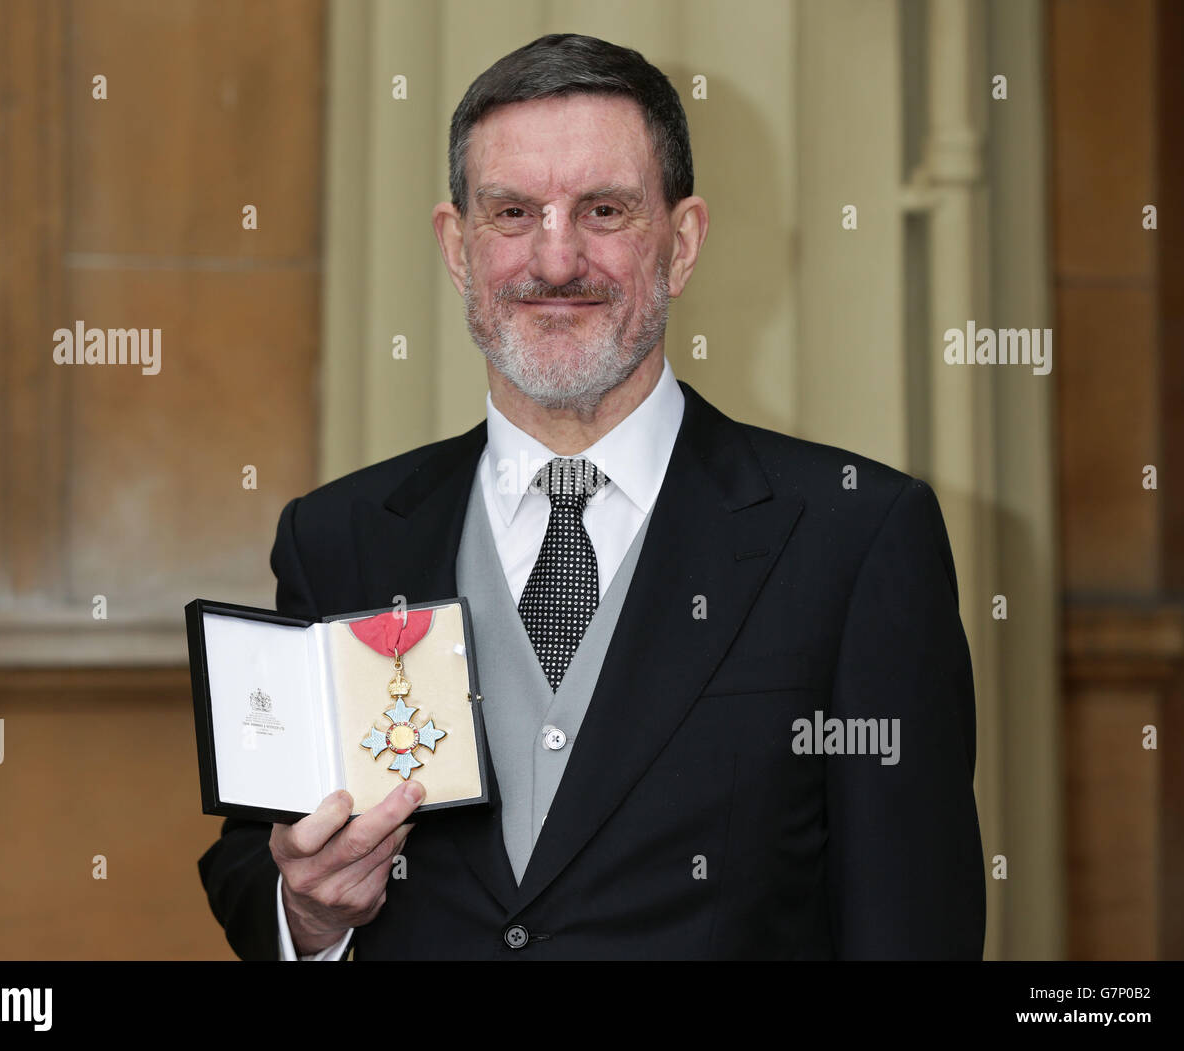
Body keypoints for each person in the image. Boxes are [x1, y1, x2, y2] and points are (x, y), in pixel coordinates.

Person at [198, 32, 986, 960]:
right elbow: (254, 863)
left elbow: (910, 924)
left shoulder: (856, 537)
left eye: (604, 210)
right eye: (512, 211)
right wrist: (311, 915)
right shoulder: (341, 536)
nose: (556, 258)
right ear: (458, 247)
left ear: (681, 243)